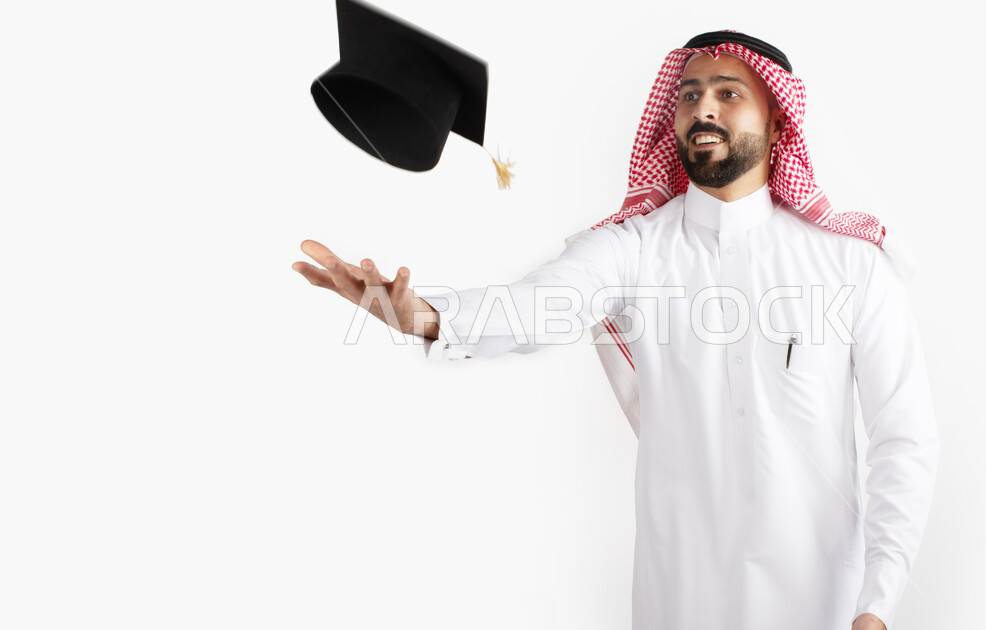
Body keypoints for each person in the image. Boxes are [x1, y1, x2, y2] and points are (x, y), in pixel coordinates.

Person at [293, 31, 938, 630]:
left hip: (823, 607)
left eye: (727, 93)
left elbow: (903, 438)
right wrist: (419, 315)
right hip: (679, 603)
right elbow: (534, 307)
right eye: (689, 94)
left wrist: (876, 604)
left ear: (776, 124)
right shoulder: (635, 250)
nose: (702, 107)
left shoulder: (849, 264)